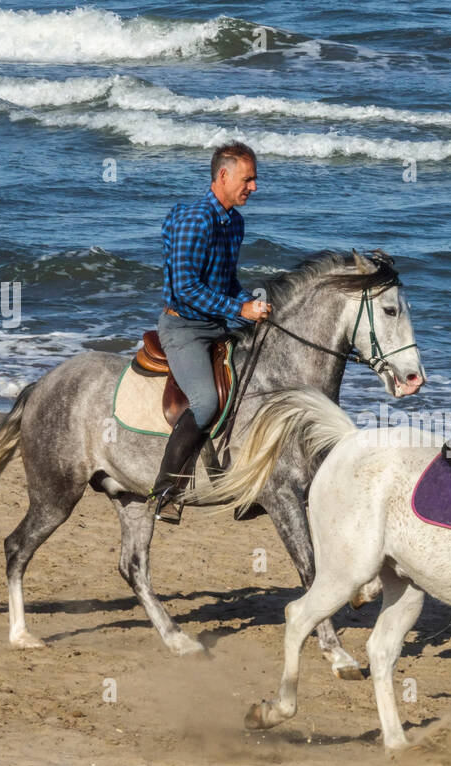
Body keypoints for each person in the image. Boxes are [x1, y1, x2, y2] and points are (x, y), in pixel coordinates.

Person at [149, 141, 272, 523]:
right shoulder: (196, 220)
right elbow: (186, 288)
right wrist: (239, 309)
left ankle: (236, 482)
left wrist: (251, 305)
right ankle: (165, 491)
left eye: (254, 179)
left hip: (216, 322)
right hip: (183, 326)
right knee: (205, 402)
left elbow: (226, 281)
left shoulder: (234, 221)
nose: (253, 187)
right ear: (223, 175)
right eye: (247, 179)